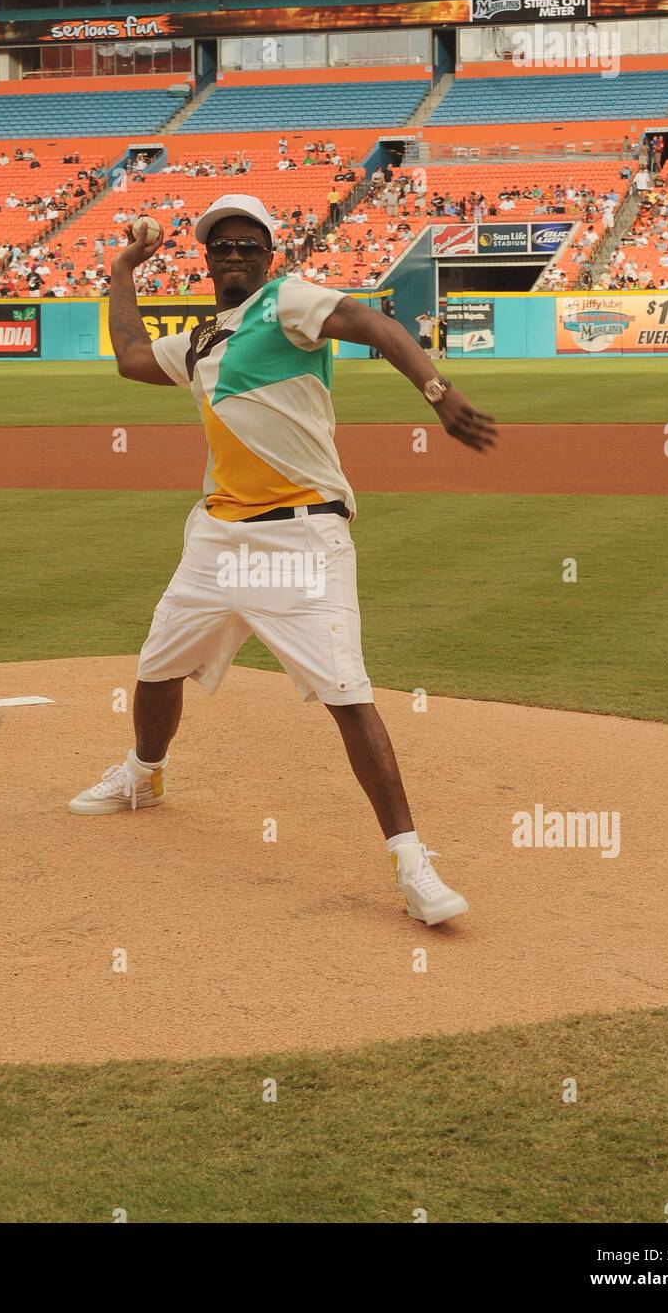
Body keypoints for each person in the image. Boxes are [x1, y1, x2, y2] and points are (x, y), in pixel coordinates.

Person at [67, 193, 497, 928]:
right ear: (206, 260)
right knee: (156, 667)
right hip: (218, 537)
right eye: (220, 246)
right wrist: (122, 270)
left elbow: (371, 322)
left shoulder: (288, 303)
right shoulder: (203, 340)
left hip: (300, 540)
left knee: (347, 695)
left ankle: (411, 861)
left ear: (270, 256)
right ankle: (144, 775)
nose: (232, 255)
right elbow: (134, 359)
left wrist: (437, 390)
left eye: (246, 245)